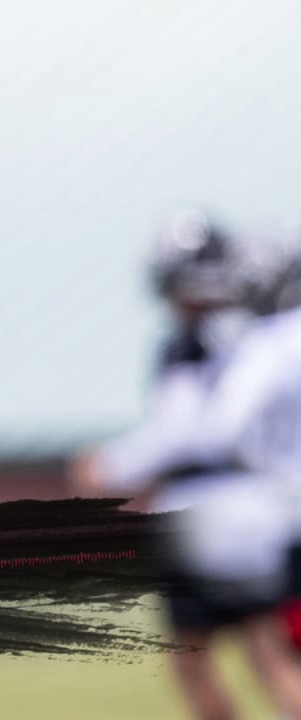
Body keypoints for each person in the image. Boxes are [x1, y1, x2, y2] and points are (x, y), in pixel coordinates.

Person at [71, 211, 301, 719]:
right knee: (270, 653)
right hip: (269, 506)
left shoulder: (195, 340)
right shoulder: (262, 333)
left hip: (209, 512)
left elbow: (191, 432)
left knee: (197, 661)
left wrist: (110, 467)